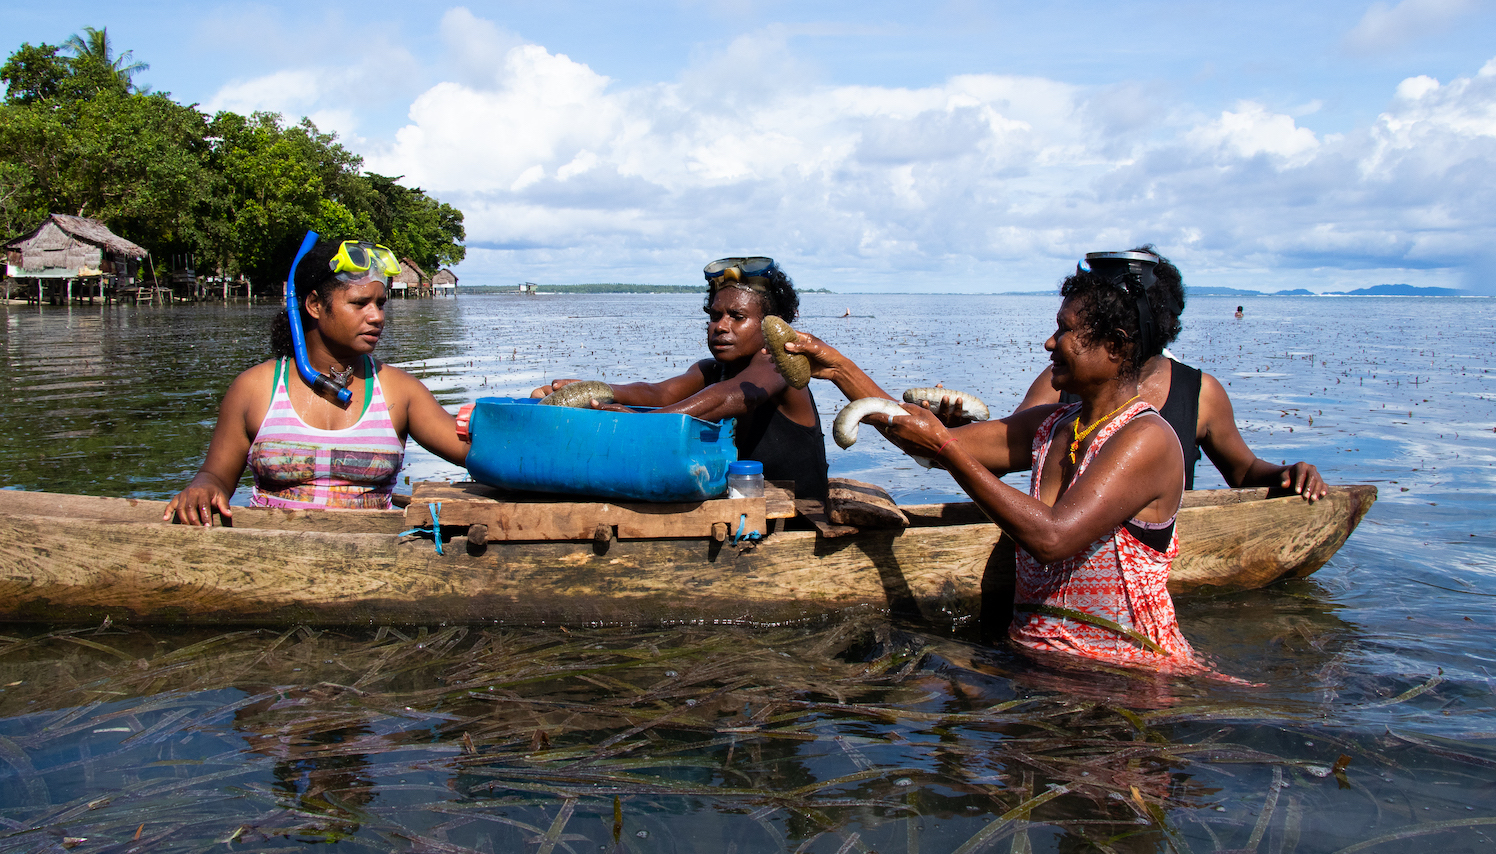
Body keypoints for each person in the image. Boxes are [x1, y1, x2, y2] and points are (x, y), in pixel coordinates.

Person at [784, 255, 1213, 673]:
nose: (1049, 342)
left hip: (1123, 672)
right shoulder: (1051, 424)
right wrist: (838, 366)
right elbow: (916, 439)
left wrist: (947, 449)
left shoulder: (1146, 438)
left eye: (1064, 331)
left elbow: (1052, 537)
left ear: (1115, 346)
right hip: (1038, 662)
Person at [164, 239, 470, 525]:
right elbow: (216, 475)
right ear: (314, 305)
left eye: (381, 303)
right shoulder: (254, 388)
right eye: (360, 303)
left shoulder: (401, 391)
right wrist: (203, 488)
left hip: (373, 562)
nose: (377, 317)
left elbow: (471, 451)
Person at [1011, 247, 1324, 499]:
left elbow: (1243, 472)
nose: (1052, 342)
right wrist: (962, 429)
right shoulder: (1060, 380)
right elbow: (1004, 448)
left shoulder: (1200, 393)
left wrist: (1287, 474)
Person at [531, 256, 829, 500]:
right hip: (751, 509)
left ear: (769, 326)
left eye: (737, 317)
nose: (720, 327)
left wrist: (643, 423)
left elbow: (729, 397)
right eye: (715, 316)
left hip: (800, 517)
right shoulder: (712, 370)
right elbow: (658, 393)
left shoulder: (779, 366)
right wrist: (592, 392)